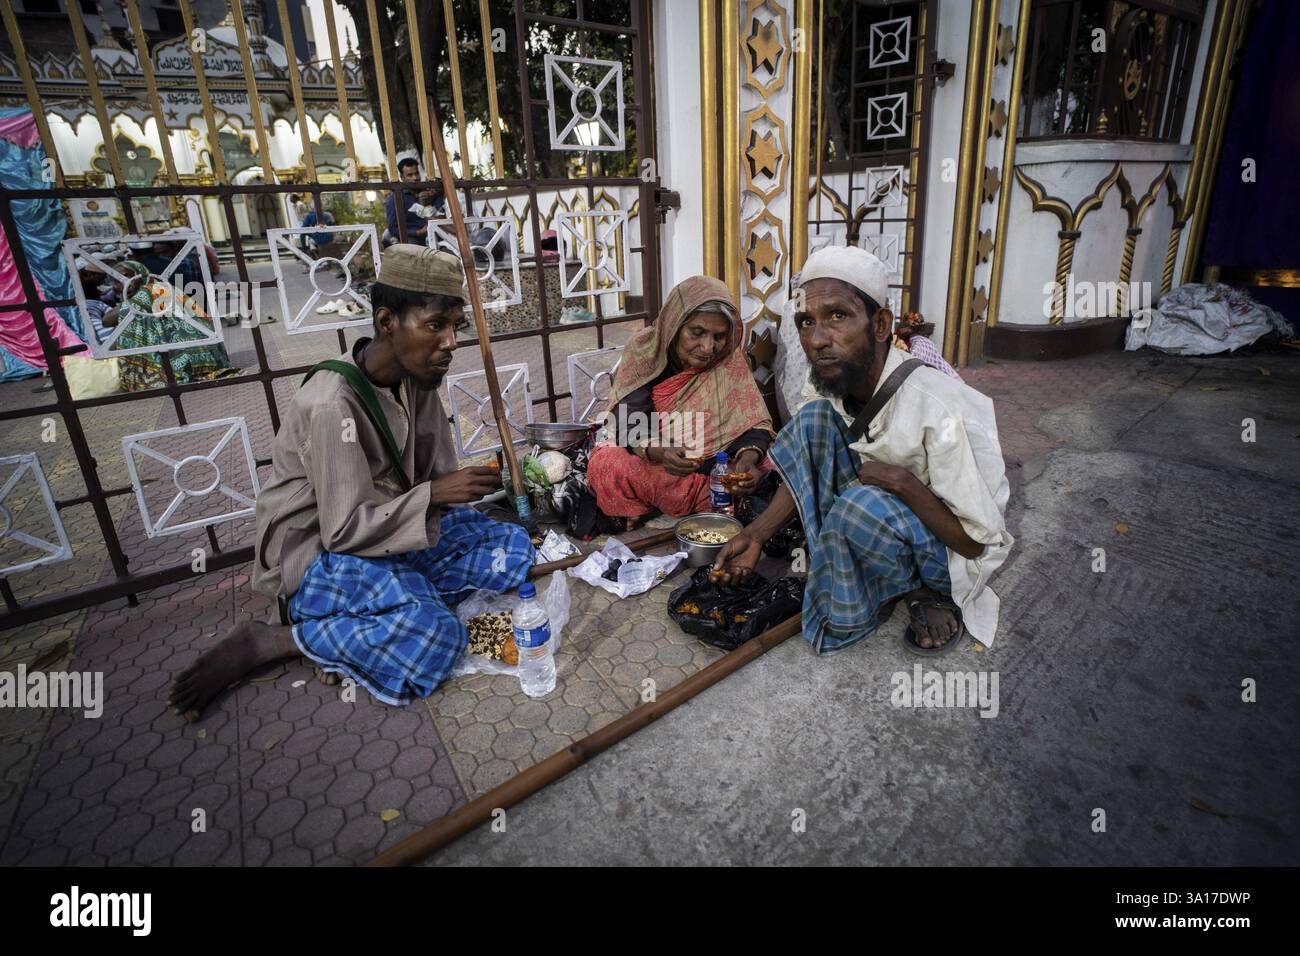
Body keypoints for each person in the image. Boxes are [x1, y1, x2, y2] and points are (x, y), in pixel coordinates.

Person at [169, 245, 533, 719]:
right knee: (437, 638)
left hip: (390, 529)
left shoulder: (417, 376)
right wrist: (436, 495)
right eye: (435, 326)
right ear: (387, 323)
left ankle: (358, 620)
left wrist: (470, 482)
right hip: (322, 550)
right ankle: (278, 639)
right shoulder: (332, 405)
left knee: (512, 550)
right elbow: (342, 530)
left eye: (455, 327)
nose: (451, 343)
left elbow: (435, 475)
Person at [712, 246, 1013, 655]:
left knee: (859, 506)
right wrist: (756, 534)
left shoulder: (937, 405)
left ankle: (925, 591)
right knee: (811, 422)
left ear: (881, 324)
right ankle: (868, 560)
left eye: (838, 316)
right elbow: (809, 454)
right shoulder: (832, 382)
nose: (817, 340)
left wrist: (903, 483)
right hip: (893, 516)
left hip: (951, 553)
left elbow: (976, 543)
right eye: (805, 322)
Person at [585, 276, 775, 526]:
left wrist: (747, 461)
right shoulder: (645, 351)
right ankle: (707, 502)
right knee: (606, 464)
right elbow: (630, 422)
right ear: (674, 325)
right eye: (697, 333)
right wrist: (659, 452)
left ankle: (662, 503)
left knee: (776, 460)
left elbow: (754, 422)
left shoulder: (728, 359)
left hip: (718, 465)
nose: (708, 348)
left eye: (718, 336)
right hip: (662, 459)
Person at [102, 259, 237, 390]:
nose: (120, 285)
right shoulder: (162, 287)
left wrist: (123, 303)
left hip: (180, 358)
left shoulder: (146, 293)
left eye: (126, 277)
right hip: (207, 355)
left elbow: (106, 320)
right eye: (116, 281)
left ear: (139, 274)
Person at [384, 157, 445, 244]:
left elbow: (443, 212)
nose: (415, 178)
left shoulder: (430, 191)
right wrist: (417, 232)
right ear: (402, 177)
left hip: (436, 232)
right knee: (413, 248)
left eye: (417, 173)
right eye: (410, 175)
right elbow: (393, 229)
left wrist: (434, 198)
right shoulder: (394, 199)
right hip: (413, 237)